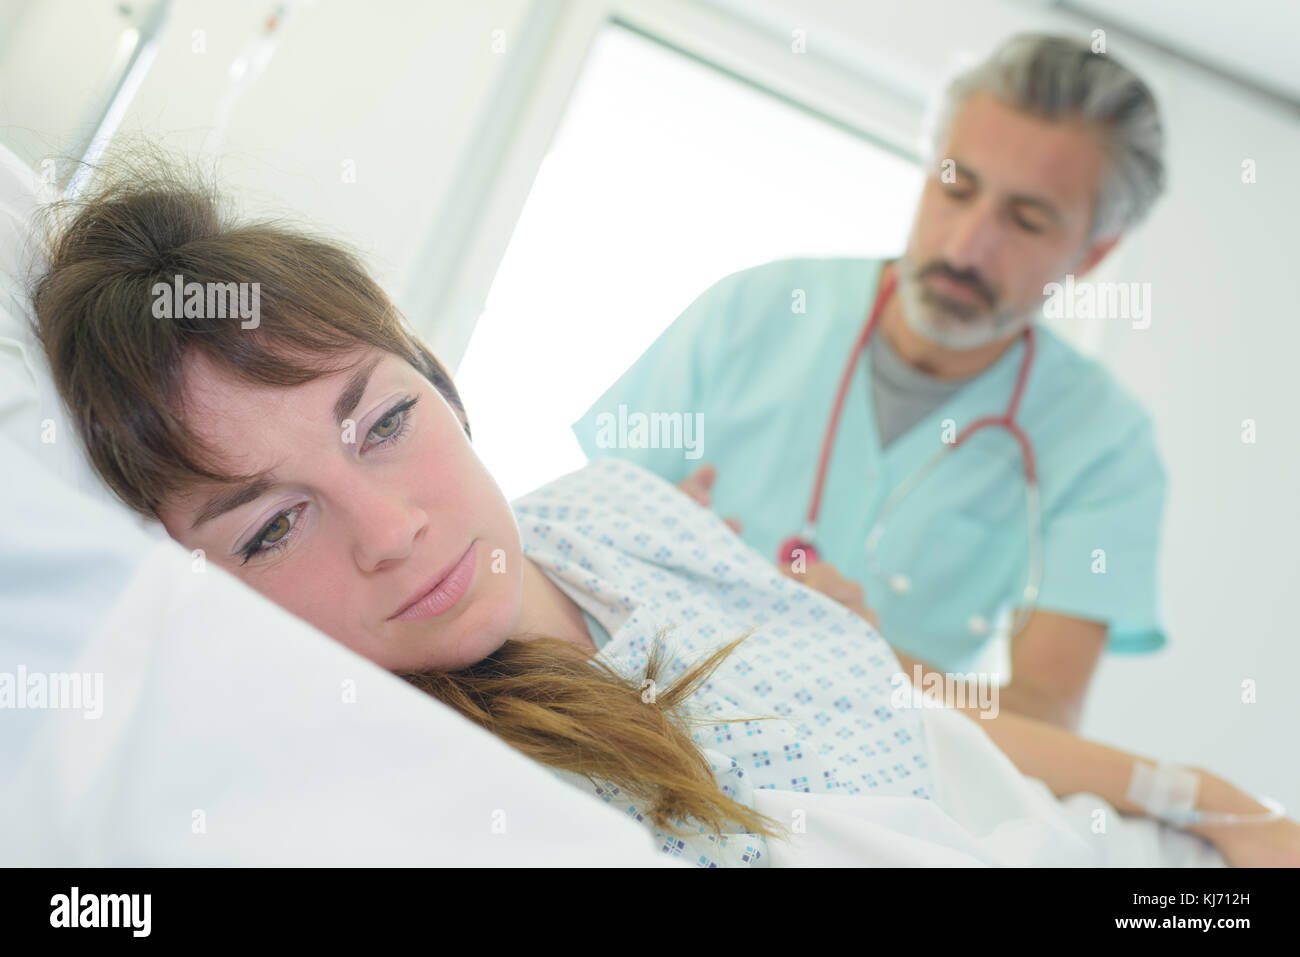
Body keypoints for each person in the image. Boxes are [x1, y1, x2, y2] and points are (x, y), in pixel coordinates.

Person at [30, 163, 1297, 867]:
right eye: (270, 527)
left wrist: (1205, 796)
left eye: (382, 422)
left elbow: (902, 697)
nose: (391, 530)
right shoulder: (419, 792)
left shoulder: (615, 509)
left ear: (440, 379)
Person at [572, 33, 1171, 732]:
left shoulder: (1104, 443)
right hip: (638, 715)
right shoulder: (753, 313)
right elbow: (578, 549)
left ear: (1094, 253)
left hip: (863, 771)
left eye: (1027, 220)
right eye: (955, 187)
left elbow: (1045, 715)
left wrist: (859, 656)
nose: (964, 247)